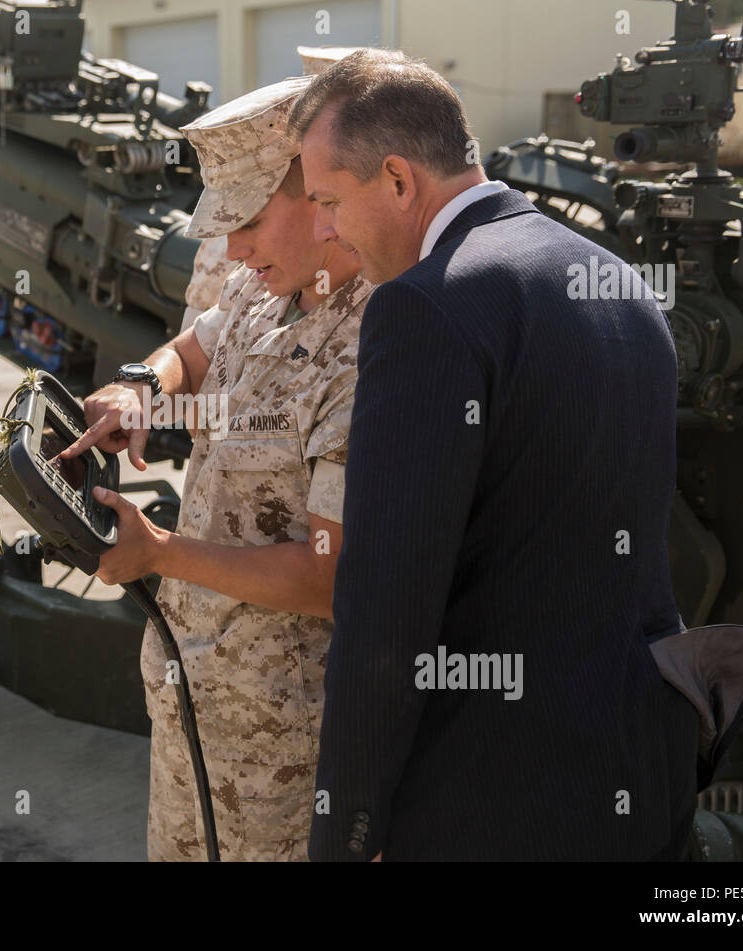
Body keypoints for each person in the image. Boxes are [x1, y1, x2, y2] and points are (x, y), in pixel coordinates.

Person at [289, 48, 708, 861]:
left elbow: (385, 608)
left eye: (328, 200)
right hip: (642, 771)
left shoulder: (426, 309)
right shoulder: (619, 281)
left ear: (400, 180)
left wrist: (347, 832)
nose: (322, 230)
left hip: (494, 803)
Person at [59, 76, 373, 860]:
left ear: (322, 195)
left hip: (283, 737)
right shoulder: (261, 289)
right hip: (188, 685)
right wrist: (142, 388)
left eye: (249, 221)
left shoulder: (373, 348)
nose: (231, 248)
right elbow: (192, 348)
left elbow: (332, 577)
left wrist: (159, 553)